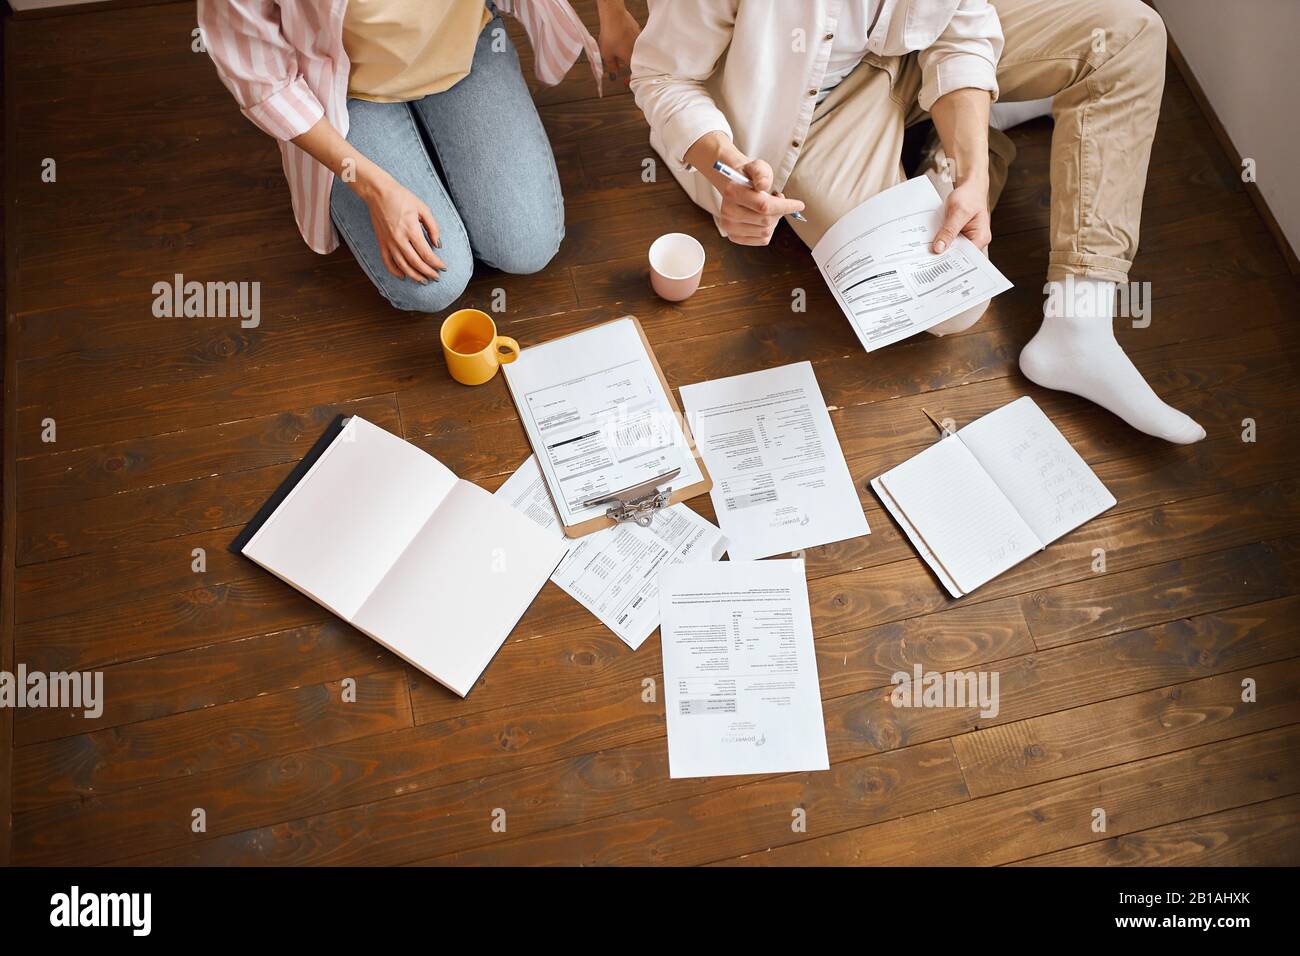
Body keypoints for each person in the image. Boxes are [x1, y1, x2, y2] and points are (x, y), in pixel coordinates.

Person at [630, 0, 1205, 444]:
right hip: (815, 109)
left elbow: (960, 28)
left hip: (916, 51)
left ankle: (1079, 325)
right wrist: (726, 174)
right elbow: (660, 76)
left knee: (1130, 34)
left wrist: (973, 171)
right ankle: (980, 123)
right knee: (954, 306)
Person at [198, 0, 642, 313]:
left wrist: (613, 12)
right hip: (345, 91)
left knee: (525, 247)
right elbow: (264, 83)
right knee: (435, 286)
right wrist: (373, 187)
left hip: (463, 49)